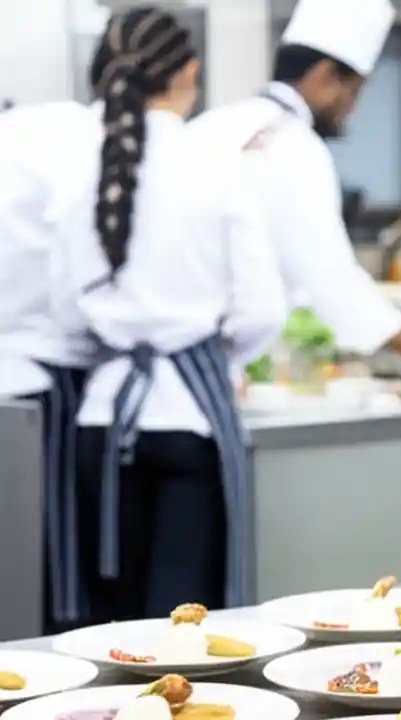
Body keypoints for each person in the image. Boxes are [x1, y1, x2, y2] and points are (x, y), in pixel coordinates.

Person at [47, 7, 286, 621]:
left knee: (109, 627)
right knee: (182, 627)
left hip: (102, 421)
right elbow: (262, 309)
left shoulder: (79, 169)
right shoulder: (219, 162)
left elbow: (66, 316)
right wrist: (209, 355)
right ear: (189, 72)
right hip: (191, 422)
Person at [186, 0, 401, 387]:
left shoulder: (210, 126)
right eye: (355, 91)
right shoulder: (296, 146)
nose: (352, 109)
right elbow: (330, 283)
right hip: (243, 373)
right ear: (327, 77)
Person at [0, 100, 101, 631]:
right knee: (58, 558)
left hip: (16, 368)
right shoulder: (72, 134)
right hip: (51, 370)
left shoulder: (25, 130)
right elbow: (79, 264)